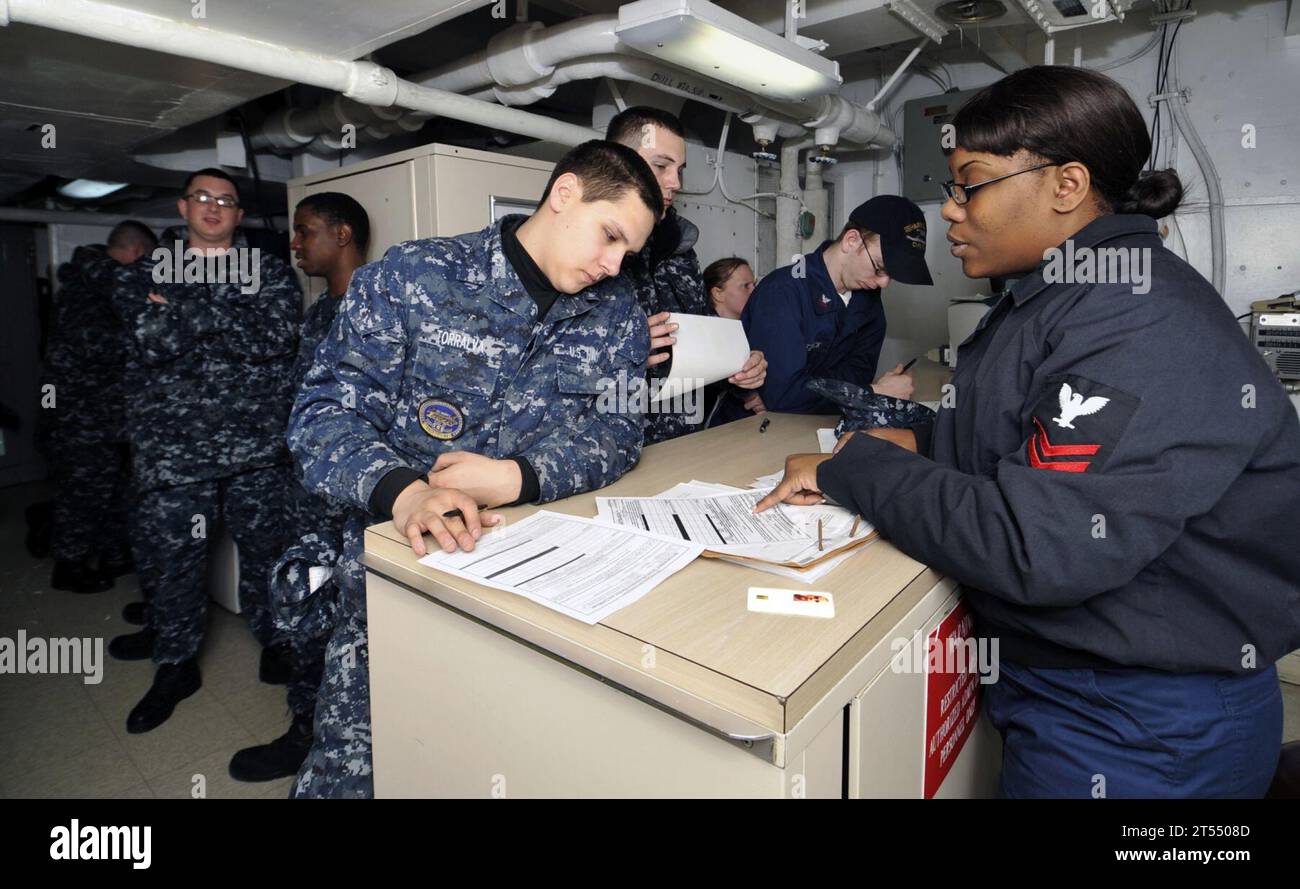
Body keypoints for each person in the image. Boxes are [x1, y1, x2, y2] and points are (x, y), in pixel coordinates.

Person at [757, 65, 1300, 798]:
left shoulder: (1134, 316)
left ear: (1066, 185)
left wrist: (851, 466)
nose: (950, 210)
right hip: (1086, 692)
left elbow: (1033, 542)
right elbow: (1019, 436)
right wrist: (920, 437)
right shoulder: (1063, 296)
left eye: (969, 183)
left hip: (1142, 728)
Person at [285, 140, 661, 798]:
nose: (613, 264)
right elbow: (320, 417)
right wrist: (404, 494)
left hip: (530, 599)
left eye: (627, 251)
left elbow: (619, 427)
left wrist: (518, 477)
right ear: (564, 193)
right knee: (351, 778)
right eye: (609, 236)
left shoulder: (616, 310)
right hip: (399, 592)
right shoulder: (416, 276)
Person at [108, 168, 302, 734]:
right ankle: (175, 665)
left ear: (239, 214)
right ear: (183, 207)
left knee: (269, 554)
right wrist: (229, 313)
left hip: (256, 446)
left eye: (226, 200)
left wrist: (184, 309)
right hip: (173, 454)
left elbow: (274, 340)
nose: (213, 207)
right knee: (172, 565)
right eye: (202, 198)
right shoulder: (142, 271)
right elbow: (151, 341)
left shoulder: (268, 270)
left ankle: (279, 642)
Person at [229, 192, 371, 782]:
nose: (295, 244)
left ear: (341, 235)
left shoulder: (384, 309)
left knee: (356, 633)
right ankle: (305, 731)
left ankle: (347, 747)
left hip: (358, 509)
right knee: (307, 615)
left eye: (304, 231)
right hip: (306, 500)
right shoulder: (317, 315)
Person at [605, 106, 766, 441]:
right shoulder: (589, 252)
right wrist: (626, 349)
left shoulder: (679, 251)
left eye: (679, 170)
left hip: (682, 443)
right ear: (616, 163)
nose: (675, 182)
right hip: (606, 448)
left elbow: (701, 344)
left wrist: (738, 367)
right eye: (661, 166)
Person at [40, 221, 155, 594]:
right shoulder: (96, 287)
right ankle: (69, 565)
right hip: (84, 413)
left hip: (101, 411)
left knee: (110, 486)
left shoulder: (89, 282)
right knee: (86, 490)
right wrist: (152, 334)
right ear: (137, 252)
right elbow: (93, 346)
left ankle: (111, 552)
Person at [742, 196, 933, 415]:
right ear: (851, 240)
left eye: (892, 276)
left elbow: (857, 374)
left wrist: (815, 393)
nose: (883, 283)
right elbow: (785, 396)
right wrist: (873, 392)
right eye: (879, 267)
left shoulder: (868, 301)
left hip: (814, 425)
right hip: (754, 430)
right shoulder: (783, 291)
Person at [700, 257, 763, 427]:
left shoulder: (751, 328)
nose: (754, 291)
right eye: (746, 286)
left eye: (754, 285)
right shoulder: (702, 335)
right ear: (718, 293)